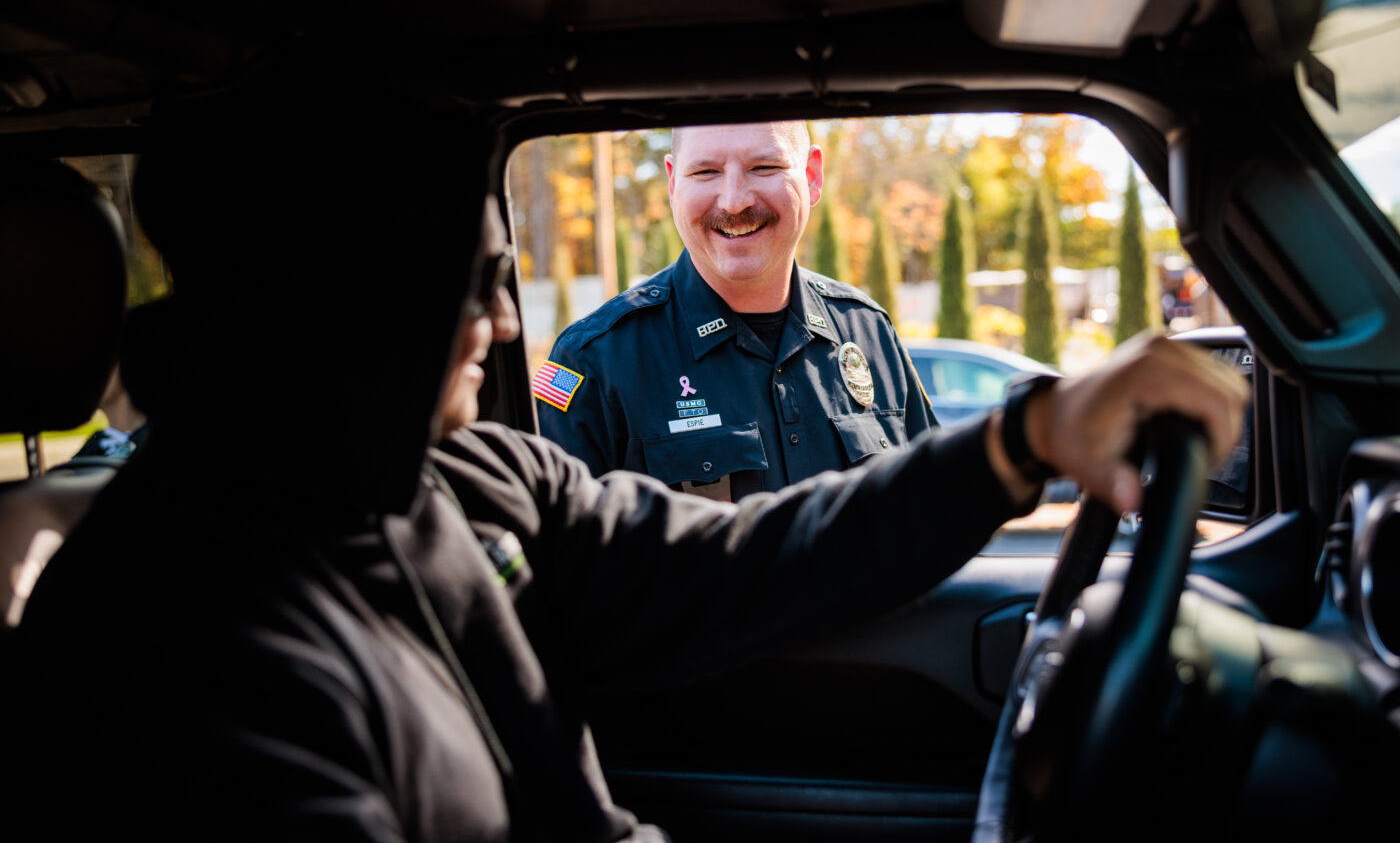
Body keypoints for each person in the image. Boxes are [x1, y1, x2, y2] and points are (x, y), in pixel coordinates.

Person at [8, 75, 1248, 841]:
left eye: (498, 283)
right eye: (471, 288)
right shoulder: (166, 638)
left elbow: (753, 556)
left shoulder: (471, 484)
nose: (499, 329)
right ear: (346, 301)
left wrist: (1025, 438)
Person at [535, 121, 936, 501]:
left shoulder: (869, 332)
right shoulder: (594, 359)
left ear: (812, 176)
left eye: (764, 167)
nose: (734, 200)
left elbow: (931, 515)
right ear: (673, 182)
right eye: (705, 172)